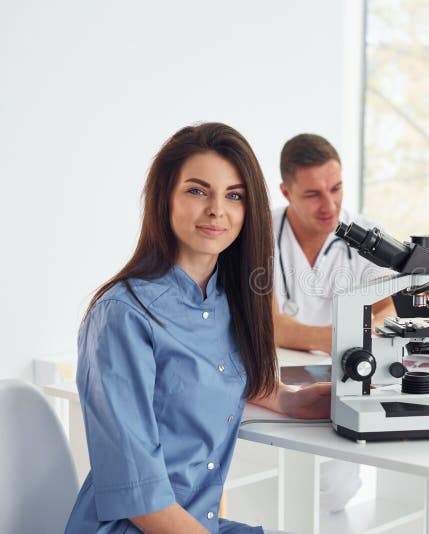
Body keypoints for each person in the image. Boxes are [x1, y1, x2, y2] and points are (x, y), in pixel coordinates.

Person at [65, 123, 330, 534]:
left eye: (234, 195)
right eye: (197, 190)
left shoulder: (230, 300)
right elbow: (142, 500)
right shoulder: (122, 315)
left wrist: (297, 402)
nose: (216, 210)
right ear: (164, 198)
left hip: (197, 523)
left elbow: (222, 374)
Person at [271, 133, 395, 355]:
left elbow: (388, 307)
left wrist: (374, 333)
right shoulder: (260, 233)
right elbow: (269, 326)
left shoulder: (370, 235)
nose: (329, 206)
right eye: (313, 195)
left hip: (348, 363)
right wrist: (339, 337)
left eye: (336, 189)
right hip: (279, 369)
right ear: (286, 192)